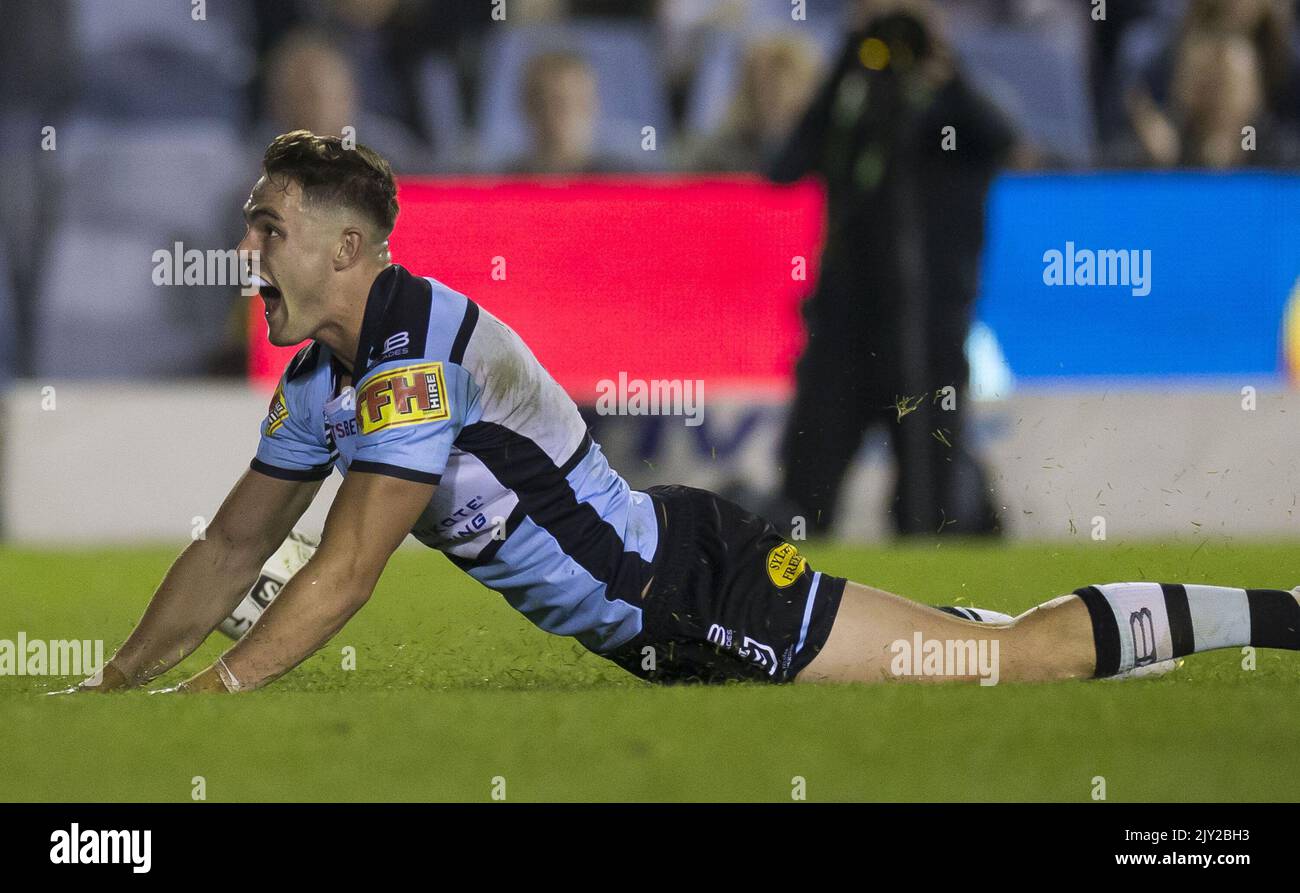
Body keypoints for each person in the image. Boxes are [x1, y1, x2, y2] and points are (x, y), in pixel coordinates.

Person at [64, 131, 1300, 693]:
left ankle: (1282, 616)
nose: (246, 248)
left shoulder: (413, 349)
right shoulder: (324, 377)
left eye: (266, 226)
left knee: (1009, 661)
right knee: (951, 643)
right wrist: (121, 684)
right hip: (666, 603)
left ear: (345, 246)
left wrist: (211, 701)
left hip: (699, 591)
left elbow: (341, 571)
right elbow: (234, 544)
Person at [767, 6, 1011, 537]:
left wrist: (948, 75)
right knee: (806, 494)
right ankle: (795, 607)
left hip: (930, 331)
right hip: (845, 326)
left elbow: (1004, 141)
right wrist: (843, 70)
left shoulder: (955, 111)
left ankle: (929, 612)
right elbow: (784, 167)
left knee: (928, 506)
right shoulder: (851, 107)